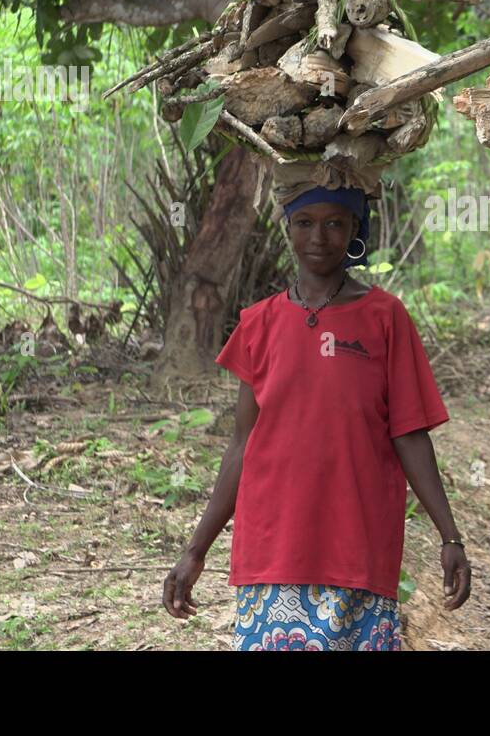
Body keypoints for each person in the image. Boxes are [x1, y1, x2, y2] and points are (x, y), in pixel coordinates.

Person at [162, 184, 471, 650]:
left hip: (356, 548)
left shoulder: (385, 318)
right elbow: (243, 446)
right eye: (305, 223)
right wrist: (195, 551)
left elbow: (409, 434)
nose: (319, 237)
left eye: (334, 223)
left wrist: (451, 537)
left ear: (355, 229)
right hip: (272, 549)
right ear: (288, 228)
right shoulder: (259, 323)